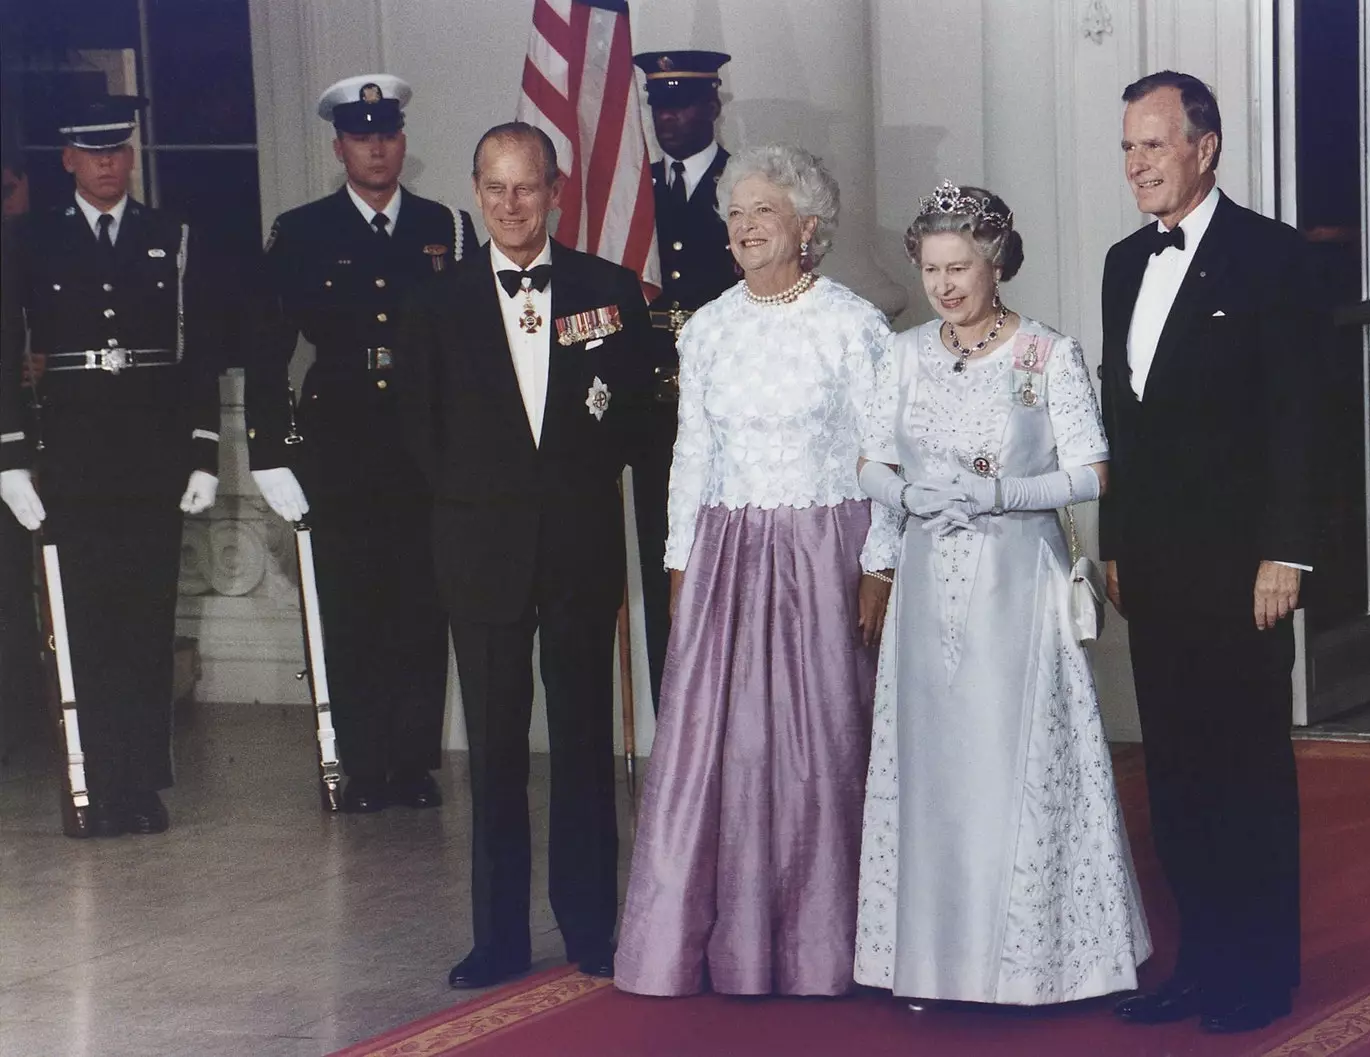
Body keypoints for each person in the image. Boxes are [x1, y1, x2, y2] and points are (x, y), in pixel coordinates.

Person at [851, 182, 1151, 1007]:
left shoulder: (1046, 354)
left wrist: (1003, 496)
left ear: (997, 264)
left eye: (961, 267)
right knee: (937, 771)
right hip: (925, 593)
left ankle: (1034, 967)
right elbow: (868, 460)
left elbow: (1093, 470)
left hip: (1018, 585)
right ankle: (930, 965)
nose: (945, 284)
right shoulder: (904, 354)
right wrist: (905, 496)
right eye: (932, 268)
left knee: (1010, 762)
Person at [614, 144, 897, 997]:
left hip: (825, 554)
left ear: (808, 227)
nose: (740, 227)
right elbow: (690, 454)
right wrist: (678, 560)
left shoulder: (855, 323)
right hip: (726, 560)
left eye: (761, 211)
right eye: (734, 214)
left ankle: (827, 947)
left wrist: (879, 564)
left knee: (823, 750)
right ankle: (729, 947)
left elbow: (885, 454)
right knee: (725, 753)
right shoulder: (706, 327)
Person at [395, 122, 652, 990]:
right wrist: (486, 502)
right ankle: (498, 940)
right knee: (496, 755)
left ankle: (592, 929)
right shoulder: (433, 302)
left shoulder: (610, 291)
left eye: (528, 187)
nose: (512, 205)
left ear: (555, 191)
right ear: (476, 191)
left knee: (582, 746)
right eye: (497, 188)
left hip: (579, 550)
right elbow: (419, 433)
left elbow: (635, 427)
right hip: (480, 554)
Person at [1100, 72, 1317, 1034]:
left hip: (1245, 569)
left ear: (1206, 148)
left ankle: (1260, 974)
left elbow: (1300, 419)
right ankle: (1200, 961)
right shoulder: (1119, 262)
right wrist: (1112, 545)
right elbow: (1122, 420)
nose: (1137, 164)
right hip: (1152, 564)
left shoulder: (1273, 257)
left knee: (1247, 772)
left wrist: (1289, 551)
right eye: (1128, 148)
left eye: (1153, 144)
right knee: (1179, 774)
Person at [244, 75, 478, 813]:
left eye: (388, 133)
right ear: (340, 146)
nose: (377, 146)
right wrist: (268, 449)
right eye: (361, 135)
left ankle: (410, 763)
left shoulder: (447, 228)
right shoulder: (302, 230)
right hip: (338, 440)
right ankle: (354, 761)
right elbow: (265, 348)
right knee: (349, 606)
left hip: (422, 444)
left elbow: (471, 346)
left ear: (402, 143)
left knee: (419, 604)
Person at [0, 95, 221, 837]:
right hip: (73, 454)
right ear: (68, 159)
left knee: (147, 620)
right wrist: (10, 459)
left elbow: (197, 353)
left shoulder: (170, 236)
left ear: (131, 156)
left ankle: (139, 782)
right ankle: (92, 782)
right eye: (92, 152)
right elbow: (5, 349)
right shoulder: (29, 241)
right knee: (86, 623)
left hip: (153, 453)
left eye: (118, 151)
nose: (106, 164)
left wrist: (202, 449)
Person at [627, 49, 740, 708]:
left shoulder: (741, 188)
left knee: (729, 574)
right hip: (649, 418)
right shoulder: (629, 192)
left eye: (684, 103)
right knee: (659, 566)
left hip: (725, 415)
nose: (670, 117)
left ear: (712, 107)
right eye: (660, 104)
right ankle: (676, 729)